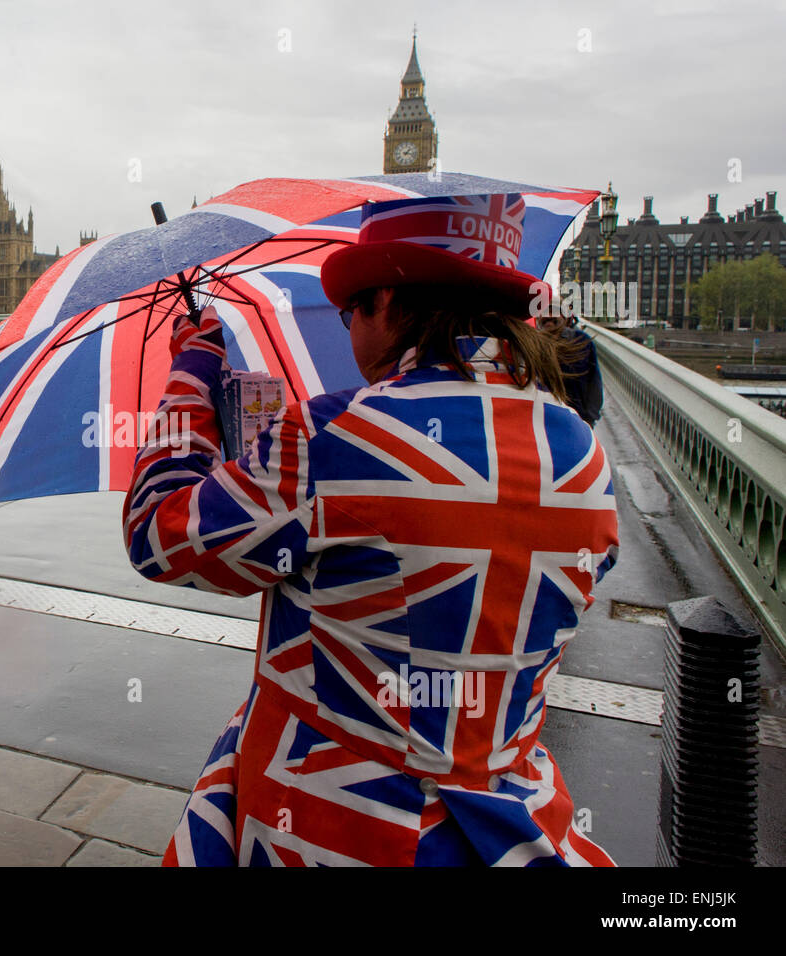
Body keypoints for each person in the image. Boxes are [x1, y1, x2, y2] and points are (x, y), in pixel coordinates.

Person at [123, 194, 620, 866]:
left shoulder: (332, 434)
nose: (349, 327)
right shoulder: (581, 451)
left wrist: (191, 376)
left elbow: (159, 538)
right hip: (513, 827)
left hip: (330, 826)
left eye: (351, 309)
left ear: (387, 302)